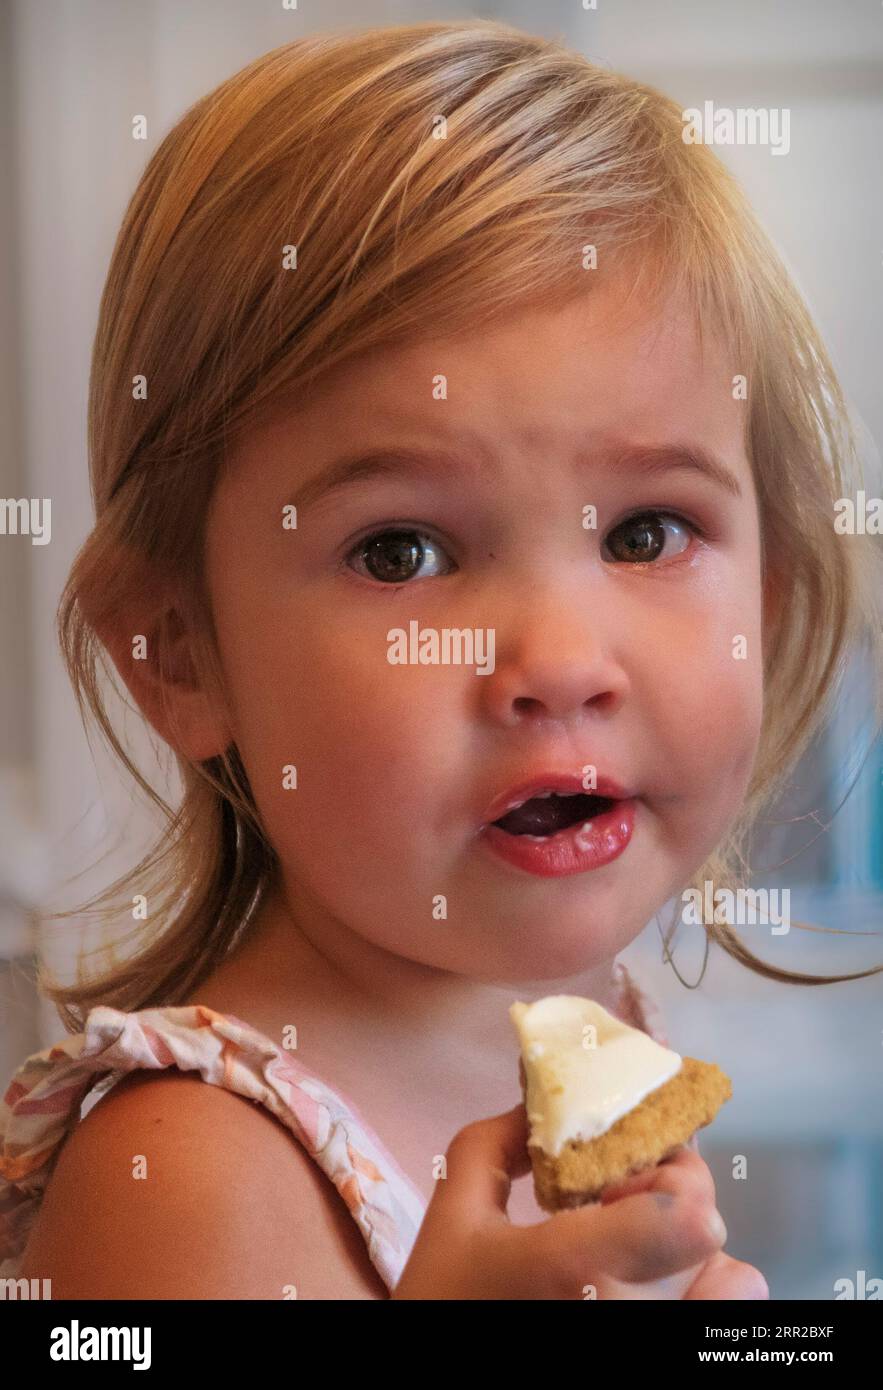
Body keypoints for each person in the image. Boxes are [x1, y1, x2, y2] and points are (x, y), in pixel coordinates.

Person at [2, 19, 881, 1300]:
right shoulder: (191, 1173)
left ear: (776, 588)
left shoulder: (594, 1045)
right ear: (178, 653)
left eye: (647, 531)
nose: (561, 660)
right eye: (402, 553)